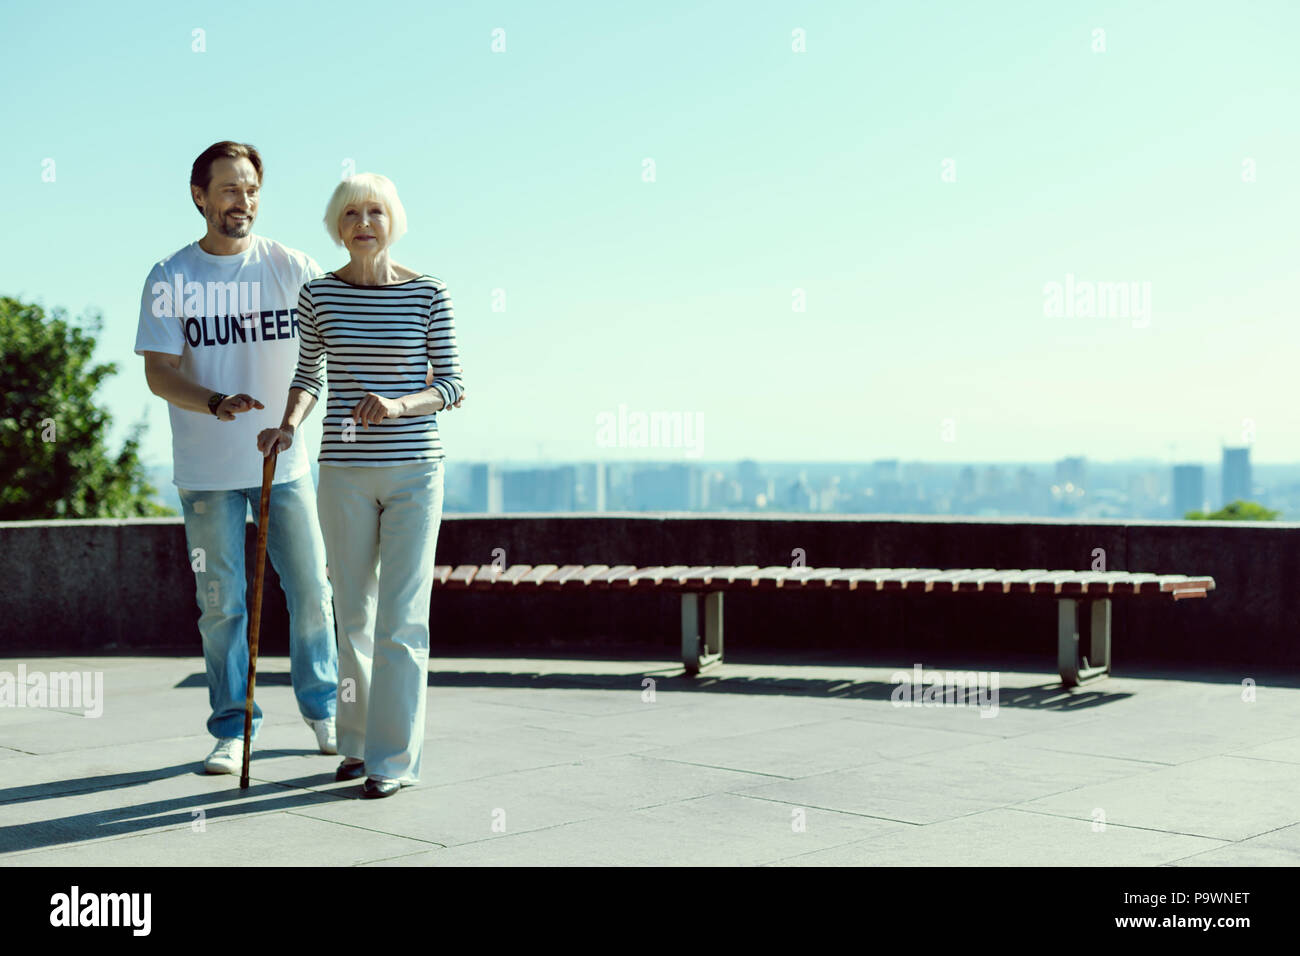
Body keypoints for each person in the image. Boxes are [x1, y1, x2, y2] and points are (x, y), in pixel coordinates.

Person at [257, 172, 465, 798]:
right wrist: (288, 425)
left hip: (414, 471)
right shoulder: (319, 296)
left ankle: (392, 761)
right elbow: (308, 376)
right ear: (337, 226)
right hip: (342, 473)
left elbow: (452, 385)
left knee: (402, 621)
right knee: (352, 614)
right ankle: (354, 743)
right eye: (351, 213)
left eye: (375, 211)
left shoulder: (429, 292)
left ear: (393, 220)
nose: (363, 222)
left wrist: (399, 405)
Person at [135, 141, 339, 774]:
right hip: (207, 473)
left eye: (250, 189)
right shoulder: (171, 277)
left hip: (286, 463)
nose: (242, 201)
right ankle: (232, 727)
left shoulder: (293, 267)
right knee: (222, 603)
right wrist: (217, 402)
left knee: (310, 590)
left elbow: (320, 358)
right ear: (200, 196)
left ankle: (325, 711)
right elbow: (161, 375)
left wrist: (290, 422)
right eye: (228, 190)